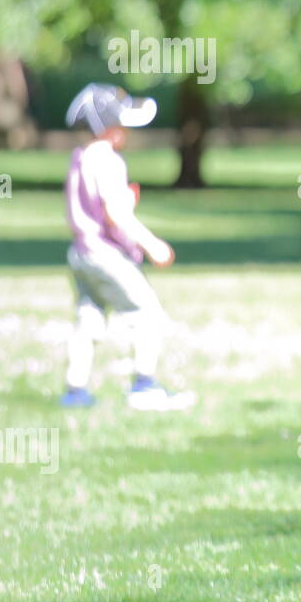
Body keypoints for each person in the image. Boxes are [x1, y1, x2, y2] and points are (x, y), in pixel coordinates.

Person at [60, 83, 194, 410]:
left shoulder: (80, 159)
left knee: (88, 318)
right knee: (147, 313)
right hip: (106, 254)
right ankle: (144, 386)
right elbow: (115, 214)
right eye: (122, 125)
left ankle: (75, 390)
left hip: (81, 253)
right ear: (109, 128)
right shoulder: (108, 161)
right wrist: (152, 244)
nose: (127, 133)